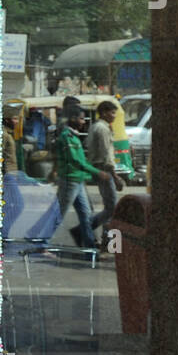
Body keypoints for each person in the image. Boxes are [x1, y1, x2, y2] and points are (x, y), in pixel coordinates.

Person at [54, 104, 110, 250]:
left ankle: (90, 248)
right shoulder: (68, 136)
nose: (83, 122)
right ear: (73, 119)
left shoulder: (74, 136)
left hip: (78, 180)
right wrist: (97, 172)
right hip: (70, 181)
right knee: (58, 215)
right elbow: (77, 161)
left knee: (86, 215)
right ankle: (40, 242)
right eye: (81, 119)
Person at [86, 100, 122, 240]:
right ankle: (86, 230)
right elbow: (106, 154)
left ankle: (102, 237)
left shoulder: (96, 126)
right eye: (112, 113)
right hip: (104, 169)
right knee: (112, 207)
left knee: (110, 207)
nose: (114, 116)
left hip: (99, 168)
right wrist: (115, 176)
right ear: (104, 113)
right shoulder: (102, 129)